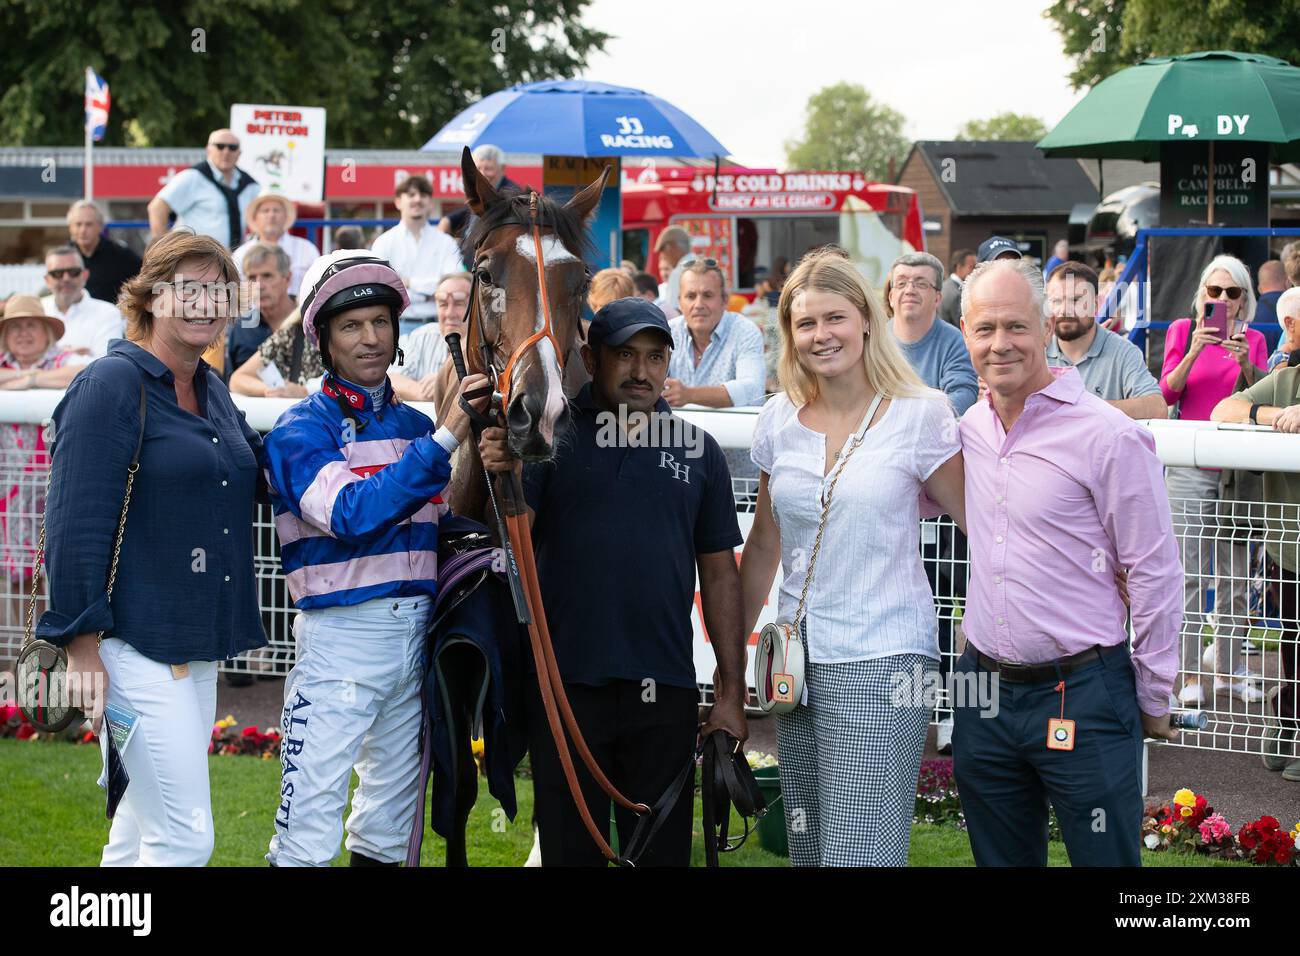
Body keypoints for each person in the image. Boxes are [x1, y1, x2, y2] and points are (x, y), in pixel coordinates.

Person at [477, 296, 749, 866]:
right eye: (625, 355)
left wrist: (729, 692)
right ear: (590, 358)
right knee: (569, 856)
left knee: (662, 858)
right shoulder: (548, 441)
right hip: (565, 691)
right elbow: (511, 540)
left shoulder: (700, 452)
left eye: (655, 356)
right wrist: (505, 472)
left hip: (666, 692)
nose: (642, 370)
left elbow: (720, 573)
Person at [39, 231, 268, 866]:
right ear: (151, 297)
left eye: (218, 289)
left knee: (136, 836)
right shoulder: (111, 384)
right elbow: (74, 525)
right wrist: (82, 648)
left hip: (196, 646)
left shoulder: (212, 387)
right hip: (130, 649)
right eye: (188, 288)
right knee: (185, 837)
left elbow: (260, 475)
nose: (204, 302)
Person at [261, 250, 489, 867]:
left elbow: (439, 524)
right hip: (339, 641)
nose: (369, 338)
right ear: (325, 340)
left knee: (388, 826)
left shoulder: (416, 427)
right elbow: (353, 515)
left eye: (380, 323)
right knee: (308, 828)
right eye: (351, 326)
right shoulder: (296, 431)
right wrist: (450, 435)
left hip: (415, 637)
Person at [738, 251, 965, 865]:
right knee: (807, 847)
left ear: (867, 318)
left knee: (861, 853)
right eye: (804, 324)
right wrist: (732, 664)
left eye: (833, 318)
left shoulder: (923, 415)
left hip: (885, 661)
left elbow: (983, 527)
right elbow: (764, 543)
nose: (820, 335)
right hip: (796, 662)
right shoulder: (778, 419)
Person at [952, 258, 1182, 867]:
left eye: (1016, 327)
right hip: (983, 691)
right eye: (984, 329)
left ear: (1045, 327)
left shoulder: (1107, 434)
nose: (1000, 344)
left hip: (1083, 689)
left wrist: (1155, 693)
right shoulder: (965, 430)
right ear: (965, 332)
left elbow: (1155, 570)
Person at [1161, 254, 1268, 707]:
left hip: (1236, 470)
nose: (1222, 300)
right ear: (1201, 293)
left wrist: (1246, 364)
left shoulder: (1257, 339)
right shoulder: (1181, 332)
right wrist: (1194, 352)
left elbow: (1261, 393)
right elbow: (1168, 390)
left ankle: (1228, 668)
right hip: (1189, 465)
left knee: (1235, 577)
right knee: (1186, 575)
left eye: (1232, 293)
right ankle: (1188, 674)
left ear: (1245, 300)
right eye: (1214, 291)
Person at [887, 252, 977, 754]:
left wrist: (902, 422)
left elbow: (961, 401)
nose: (910, 291)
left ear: (938, 296)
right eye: (902, 282)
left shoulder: (951, 343)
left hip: (944, 505)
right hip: (890, 502)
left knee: (961, 608)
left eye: (921, 284)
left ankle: (954, 715)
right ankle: (917, 712)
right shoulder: (873, 337)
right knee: (919, 616)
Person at [1209, 285, 1300, 784]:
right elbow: (1222, 409)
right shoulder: (1284, 379)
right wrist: (1272, 417)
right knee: (1289, 638)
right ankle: (1285, 722)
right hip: (1288, 546)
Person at [0, 295, 80, 622]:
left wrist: (30, 381)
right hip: (9, 488)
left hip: (55, 485)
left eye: (31, 325)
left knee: (55, 571)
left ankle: (53, 656)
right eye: (15, 327)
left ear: (46, 332)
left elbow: (83, 373)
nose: (23, 333)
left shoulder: (62, 360)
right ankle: (20, 655)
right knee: (17, 575)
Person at [1045, 261, 1167, 419]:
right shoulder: (1036, 350)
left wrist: (1083, 408)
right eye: (1056, 301)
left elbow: (1157, 408)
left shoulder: (1122, 351)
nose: (1064, 310)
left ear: (1095, 305)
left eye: (1075, 300)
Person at [664, 259, 765, 409]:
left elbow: (753, 392)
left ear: (725, 300)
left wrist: (689, 395)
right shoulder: (668, 333)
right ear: (680, 303)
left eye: (707, 295)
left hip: (726, 432)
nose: (698, 305)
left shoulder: (744, 332)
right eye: (691, 296)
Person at [371, 175, 465, 330]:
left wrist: (409, 283)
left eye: (423, 195)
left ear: (430, 203)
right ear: (398, 202)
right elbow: (382, 289)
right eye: (411, 194)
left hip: (438, 326)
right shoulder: (384, 243)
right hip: (398, 328)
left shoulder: (445, 242)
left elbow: (454, 286)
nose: (417, 199)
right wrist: (431, 292)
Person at [148, 129, 258, 249]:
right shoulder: (193, 177)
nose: (226, 152)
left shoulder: (250, 185)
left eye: (232, 147)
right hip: (193, 259)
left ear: (239, 153)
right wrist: (163, 251)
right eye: (220, 146)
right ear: (208, 149)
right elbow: (157, 208)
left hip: (232, 261)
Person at [388, 272, 471, 404]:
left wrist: (444, 384)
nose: (450, 313)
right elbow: (391, 377)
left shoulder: (488, 344)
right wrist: (422, 392)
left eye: (459, 303)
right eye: (443, 304)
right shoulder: (422, 336)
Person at [438, 144, 521, 266]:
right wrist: (447, 221)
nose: (482, 174)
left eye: (488, 169)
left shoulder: (511, 195)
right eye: (478, 168)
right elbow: (467, 211)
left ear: (502, 169)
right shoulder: (481, 192)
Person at [225, 243, 298, 379]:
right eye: (252, 278)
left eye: (267, 276)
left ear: (287, 279)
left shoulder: (309, 321)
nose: (259, 286)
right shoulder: (241, 327)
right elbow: (230, 385)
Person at [42, 245, 125, 362]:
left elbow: (105, 365)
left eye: (73, 272)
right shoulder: (38, 309)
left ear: (85, 275)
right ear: (47, 280)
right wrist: (73, 355)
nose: (66, 278)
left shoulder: (108, 313)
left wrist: (51, 356)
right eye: (57, 273)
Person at [231, 192, 319, 297]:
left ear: (286, 216)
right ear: (255, 218)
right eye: (265, 211)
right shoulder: (240, 254)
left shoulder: (307, 249)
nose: (271, 215)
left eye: (276, 210)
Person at [228, 312, 321, 399]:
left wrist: (306, 391)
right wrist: (273, 391)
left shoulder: (331, 331)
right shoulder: (292, 332)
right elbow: (237, 379)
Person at [66, 200, 141, 304]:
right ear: (70, 227)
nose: (83, 230)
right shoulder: (63, 258)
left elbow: (144, 280)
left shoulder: (121, 255)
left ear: (100, 226)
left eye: (89, 224)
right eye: (78, 224)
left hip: (111, 317)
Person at [654, 226, 696, 316]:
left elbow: (672, 311)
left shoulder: (678, 273)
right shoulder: (700, 264)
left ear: (671, 247)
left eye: (663, 251)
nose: (664, 257)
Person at [939, 248, 975, 327]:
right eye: (971, 267)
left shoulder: (944, 286)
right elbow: (962, 327)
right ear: (959, 267)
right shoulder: (957, 294)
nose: (974, 271)